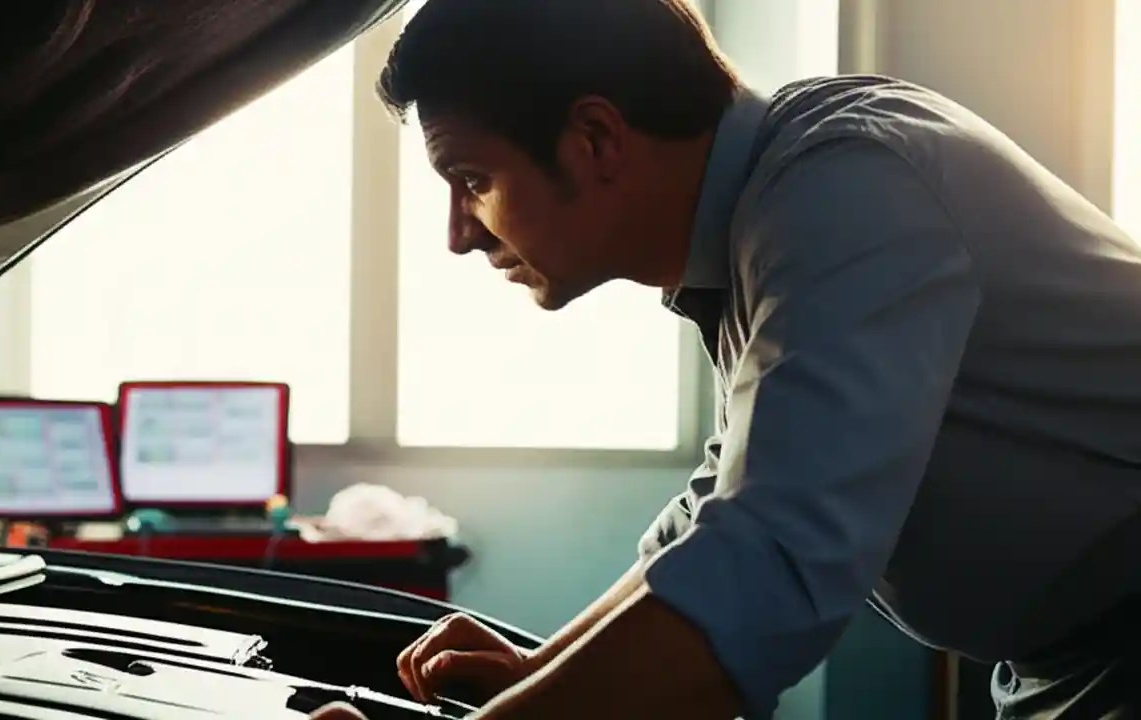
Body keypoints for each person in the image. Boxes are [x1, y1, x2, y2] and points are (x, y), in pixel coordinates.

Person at [311, 0, 1141, 718]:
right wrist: (546, 670)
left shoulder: (844, 188)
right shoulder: (767, 216)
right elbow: (723, 500)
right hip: (1069, 663)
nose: (458, 234)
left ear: (596, 137)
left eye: (469, 178)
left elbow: (770, 558)